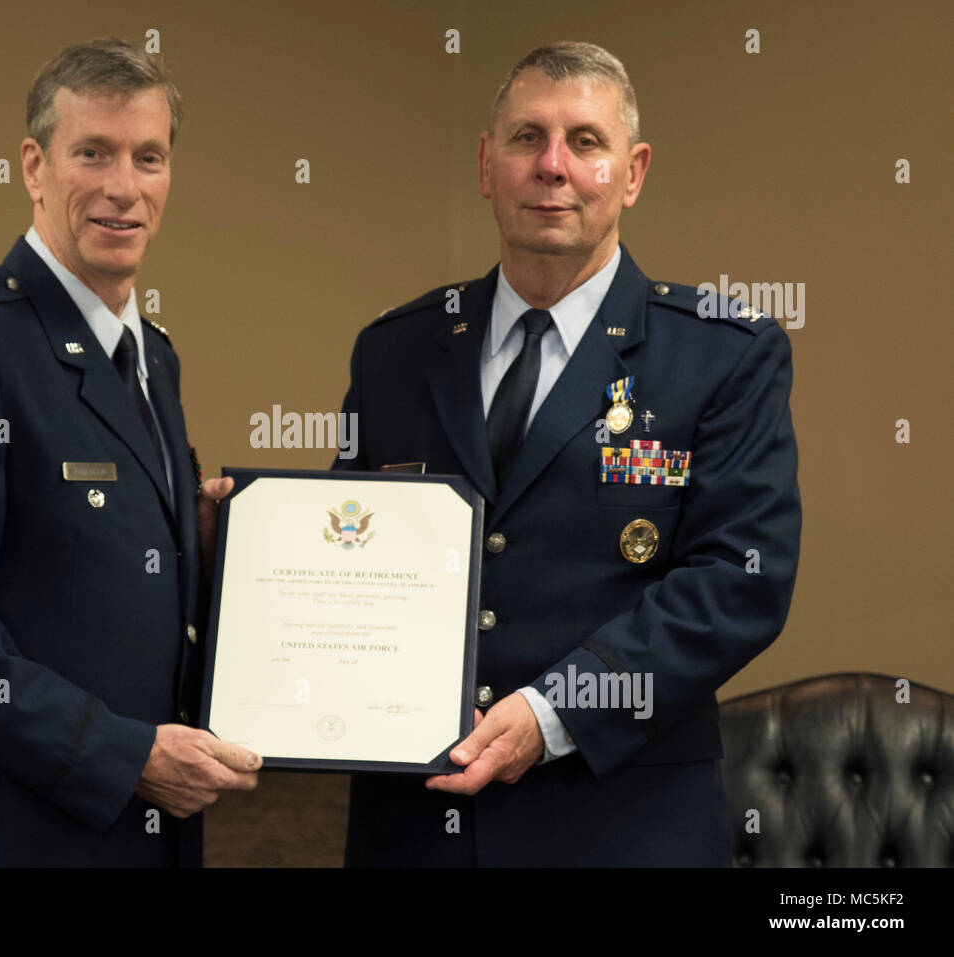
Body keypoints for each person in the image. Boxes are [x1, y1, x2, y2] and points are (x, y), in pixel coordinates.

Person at [334, 41, 800, 866]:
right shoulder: (396, 351)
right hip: (415, 826)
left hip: (620, 824)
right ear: (486, 164)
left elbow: (739, 581)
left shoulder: (723, 354)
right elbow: (347, 562)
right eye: (526, 138)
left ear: (634, 171)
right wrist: (248, 541)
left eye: (585, 141)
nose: (553, 166)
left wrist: (556, 710)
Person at [0, 38, 257, 867]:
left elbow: (104, 577)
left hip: (138, 830)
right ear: (34, 167)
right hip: (3, 831)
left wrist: (209, 554)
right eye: (93, 154)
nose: (124, 188)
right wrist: (124, 755)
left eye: (149, 157)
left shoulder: (153, 355)